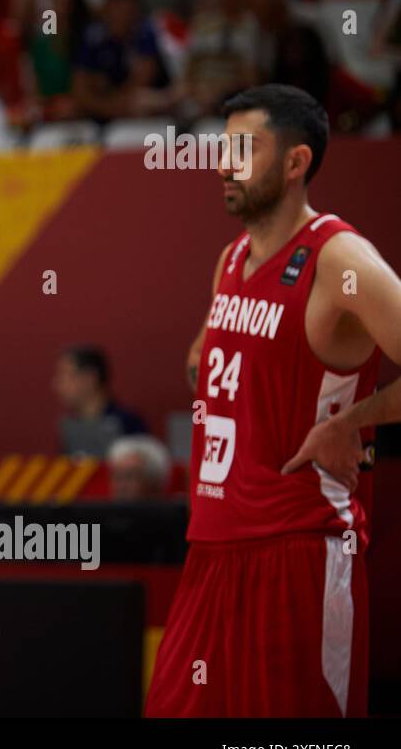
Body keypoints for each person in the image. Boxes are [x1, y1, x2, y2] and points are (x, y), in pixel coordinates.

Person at [146, 84, 401, 717]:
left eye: (245, 149)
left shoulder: (340, 259)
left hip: (299, 550)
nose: (226, 163)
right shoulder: (231, 258)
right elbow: (214, 357)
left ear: (296, 163)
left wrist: (358, 424)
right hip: (213, 547)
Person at [53, 345, 147, 457]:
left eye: (65, 375)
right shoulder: (69, 426)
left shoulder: (128, 423)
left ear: (89, 378)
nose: (57, 384)